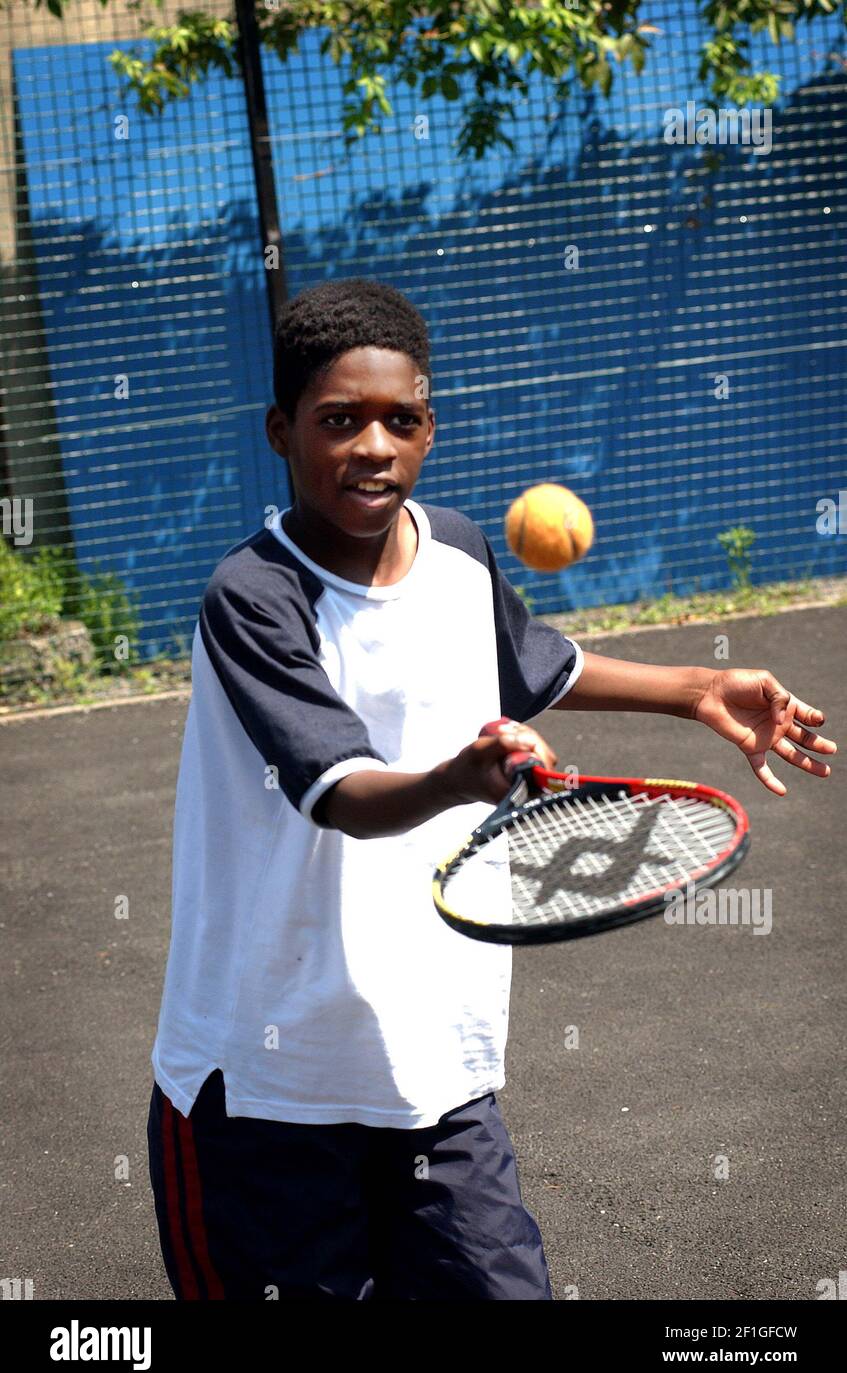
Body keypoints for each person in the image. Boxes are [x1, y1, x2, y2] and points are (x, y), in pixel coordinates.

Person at [147, 277, 836, 1301]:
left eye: (401, 419)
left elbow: (538, 662)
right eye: (338, 421)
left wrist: (699, 688)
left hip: (433, 1072)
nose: (373, 445)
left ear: (430, 430)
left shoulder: (461, 551)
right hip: (263, 1091)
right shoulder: (254, 596)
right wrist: (458, 778)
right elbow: (341, 790)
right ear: (280, 431)